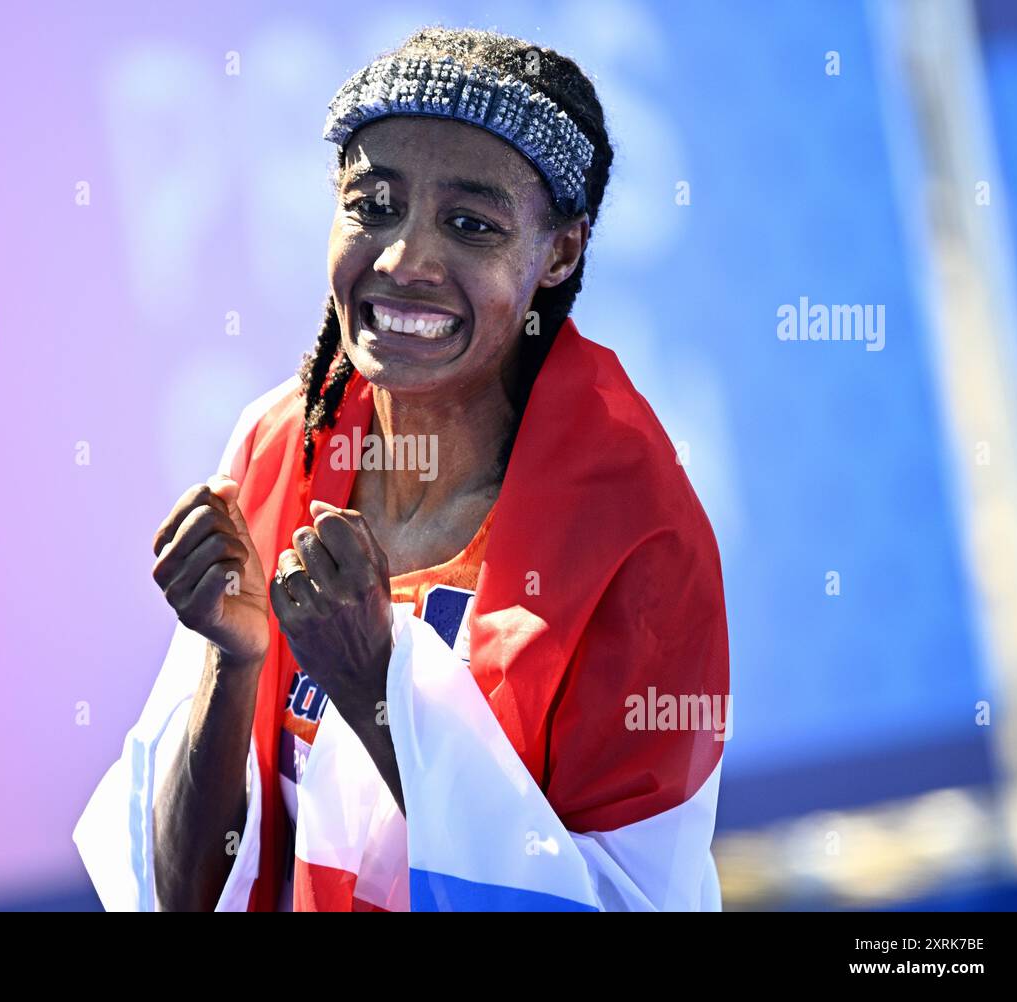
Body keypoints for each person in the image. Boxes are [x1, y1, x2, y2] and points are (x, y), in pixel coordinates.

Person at [74, 26, 730, 912]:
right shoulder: (279, 448)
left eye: (470, 224)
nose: (403, 260)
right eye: (373, 205)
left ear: (561, 254)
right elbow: (181, 894)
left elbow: (617, 904)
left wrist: (381, 693)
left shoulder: (636, 537)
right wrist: (235, 664)